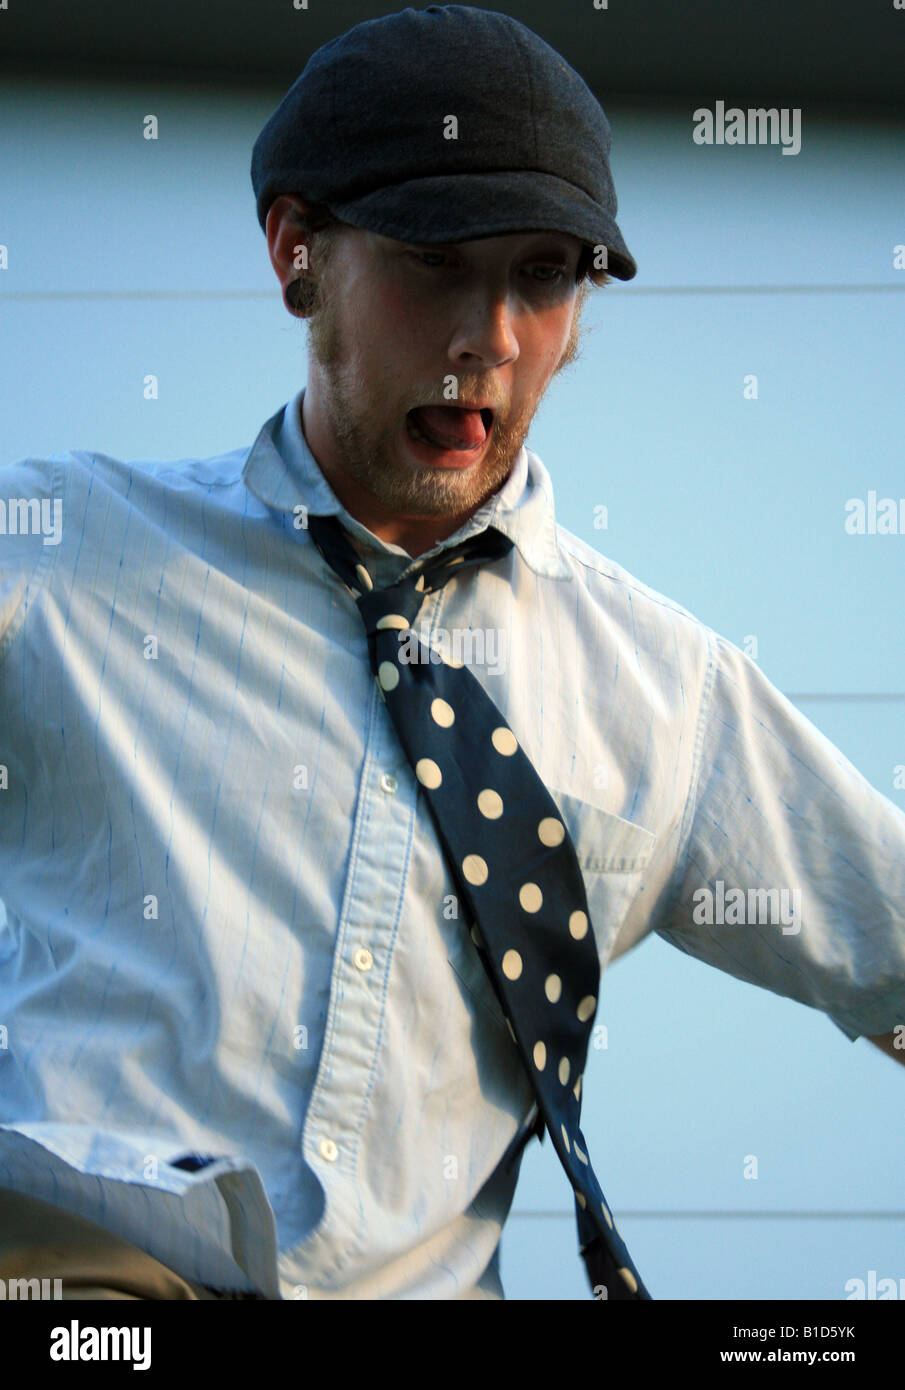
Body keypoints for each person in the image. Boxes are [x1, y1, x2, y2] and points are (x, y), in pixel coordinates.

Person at [0, 4, 902, 1303]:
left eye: (543, 274)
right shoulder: (61, 552)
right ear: (296, 252)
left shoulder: (666, 689)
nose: (489, 331)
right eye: (435, 257)